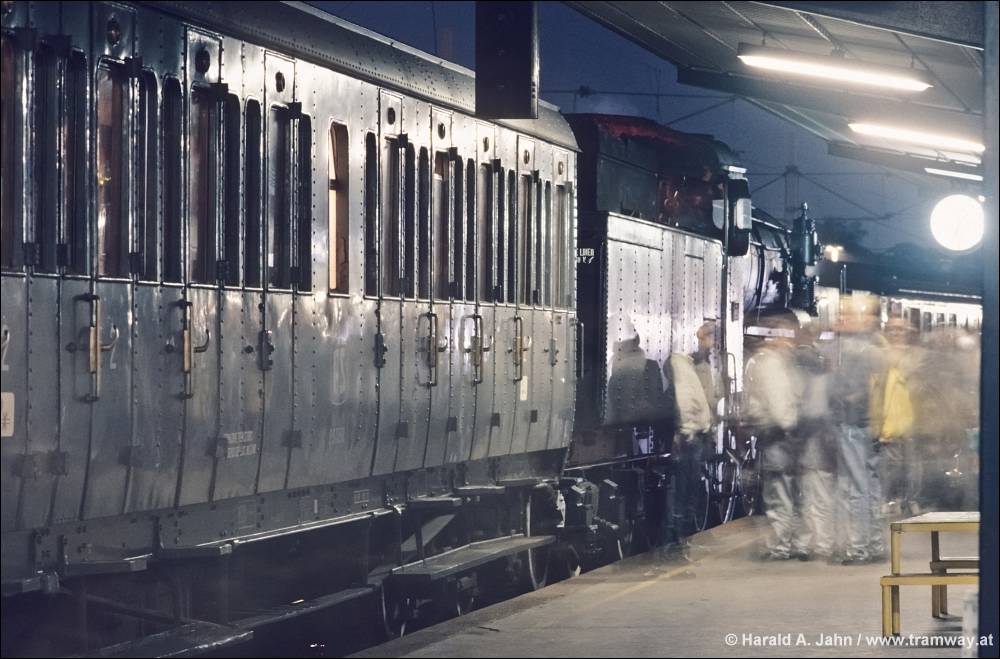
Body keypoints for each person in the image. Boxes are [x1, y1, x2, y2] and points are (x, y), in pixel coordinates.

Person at [830, 300, 887, 565]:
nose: (840, 319)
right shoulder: (878, 347)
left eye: (846, 315)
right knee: (871, 486)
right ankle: (874, 543)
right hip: (873, 424)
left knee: (856, 488)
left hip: (855, 424)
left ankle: (858, 547)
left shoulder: (857, 351)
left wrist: (836, 398)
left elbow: (853, 394)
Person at [743, 314, 802, 560]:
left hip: (778, 435)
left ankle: (782, 546)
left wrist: (786, 425)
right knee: (789, 490)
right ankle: (794, 542)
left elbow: (778, 403)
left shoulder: (768, 363)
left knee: (778, 492)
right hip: (788, 434)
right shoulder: (784, 361)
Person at [661, 321, 720, 557]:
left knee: (683, 492)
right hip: (691, 438)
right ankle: (677, 544)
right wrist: (686, 432)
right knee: (684, 492)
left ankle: (677, 543)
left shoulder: (686, 364)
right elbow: (687, 401)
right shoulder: (681, 364)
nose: (712, 345)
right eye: (710, 339)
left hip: (693, 436)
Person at [793, 323, 836, 561]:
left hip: (816, 445)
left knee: (814, 496)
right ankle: (818, 542)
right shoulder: (829, 383)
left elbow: (813, 414)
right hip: (823, 446)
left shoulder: (819, 384)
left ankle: (819, 543)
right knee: (817, 496)